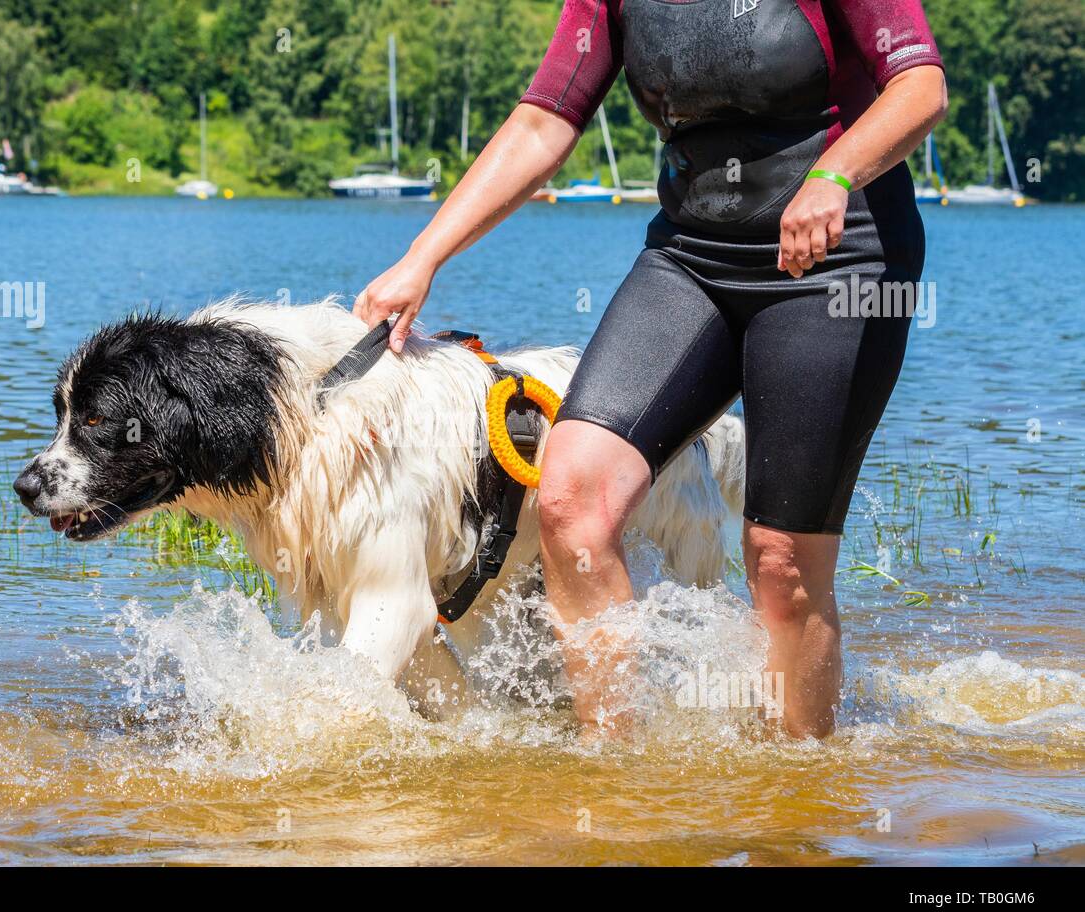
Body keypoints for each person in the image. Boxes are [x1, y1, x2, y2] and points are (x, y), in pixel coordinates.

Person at [353, 0, 947, 738]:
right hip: (692, 256)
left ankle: (801, 798)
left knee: (781, 564)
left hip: (839, 259)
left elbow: (920, 86)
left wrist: (834, 173)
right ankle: (618, 765)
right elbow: (544, 121)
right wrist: (423, 257)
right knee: (573, 497)